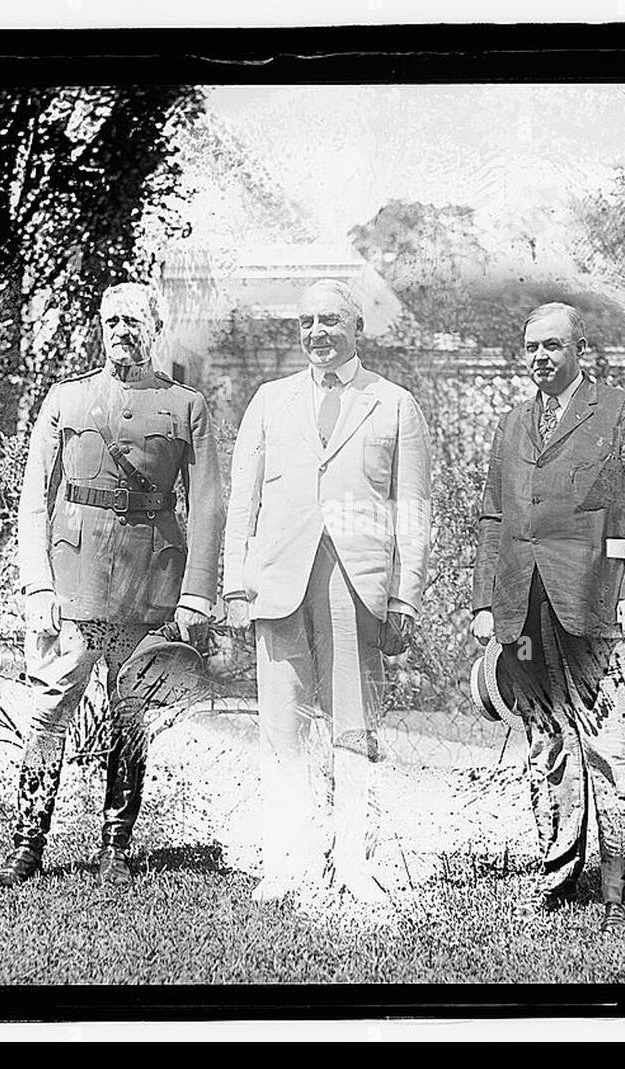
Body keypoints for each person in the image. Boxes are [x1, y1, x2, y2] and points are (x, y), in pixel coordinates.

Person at [0, 282, 224, 888]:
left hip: (150, 589)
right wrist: (37, 585)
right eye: (113, 320)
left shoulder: (185, 407)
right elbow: (34, 502)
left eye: (136, 321)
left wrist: (198, 592)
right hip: (75, 585)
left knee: (132, 715)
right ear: (101, 325)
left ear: (157, 328)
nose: (123, 330)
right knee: (48, 713)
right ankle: (27, 843)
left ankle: (116, 845)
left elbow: (207, 507)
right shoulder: (67, 401)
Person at [222, 279, 432, 909]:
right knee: (281, 725)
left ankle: (353, 861)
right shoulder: (268, 401)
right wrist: (236, 585)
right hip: (279, 580)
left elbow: (414, 511)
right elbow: (244, 501)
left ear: (357, 329)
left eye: (331, 320)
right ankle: (286, 860)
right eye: (307, 321)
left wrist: (405, 597)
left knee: (353, 724)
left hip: (356, 581)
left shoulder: (394, 404)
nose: (317, 332)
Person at [471, 301, 625, 932]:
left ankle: (620, 891)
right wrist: (485, 602)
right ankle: (557, 882)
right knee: (547, 745)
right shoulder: (512, 424)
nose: (540, 358)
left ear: (581, 350)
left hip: (598, 608)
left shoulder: (620, 411)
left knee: (611, 746)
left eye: (553, 346)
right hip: (525, 611)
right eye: (531, 347)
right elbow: (492, 517)